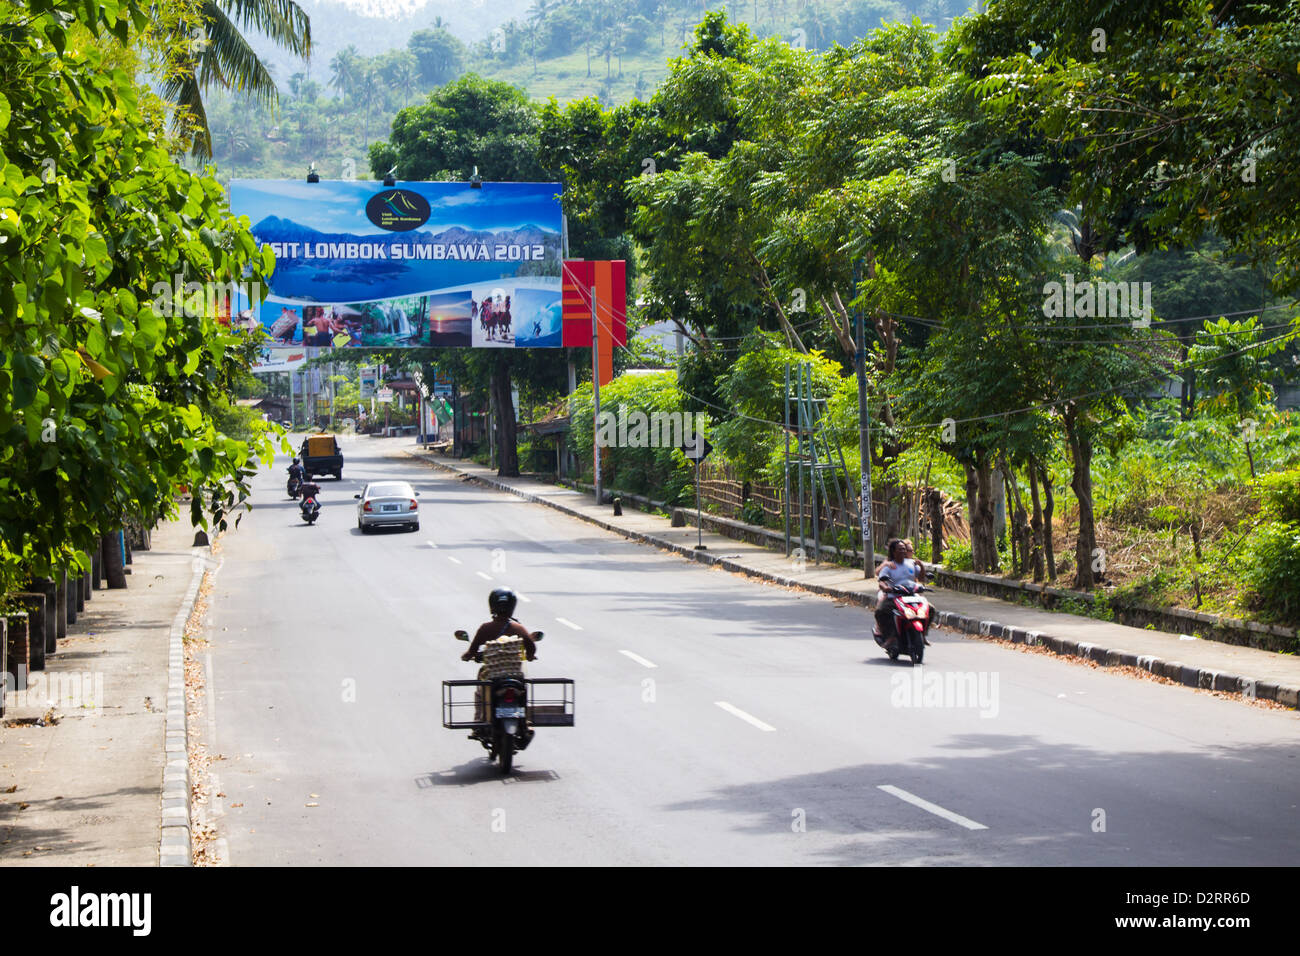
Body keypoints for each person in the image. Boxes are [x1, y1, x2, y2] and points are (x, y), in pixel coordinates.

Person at [874, 538, 920, 649]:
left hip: (910, 595)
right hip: (894, 596)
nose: (905, 552)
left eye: (907, 550)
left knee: (929, 609)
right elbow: (880, 579)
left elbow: (920, 577)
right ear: (894, 551)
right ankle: (889, 636)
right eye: (901, 549)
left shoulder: (912, 563)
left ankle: (922, 635)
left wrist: (921, 566)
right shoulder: (889, 565)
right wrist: (887, 588)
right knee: (881, 611)